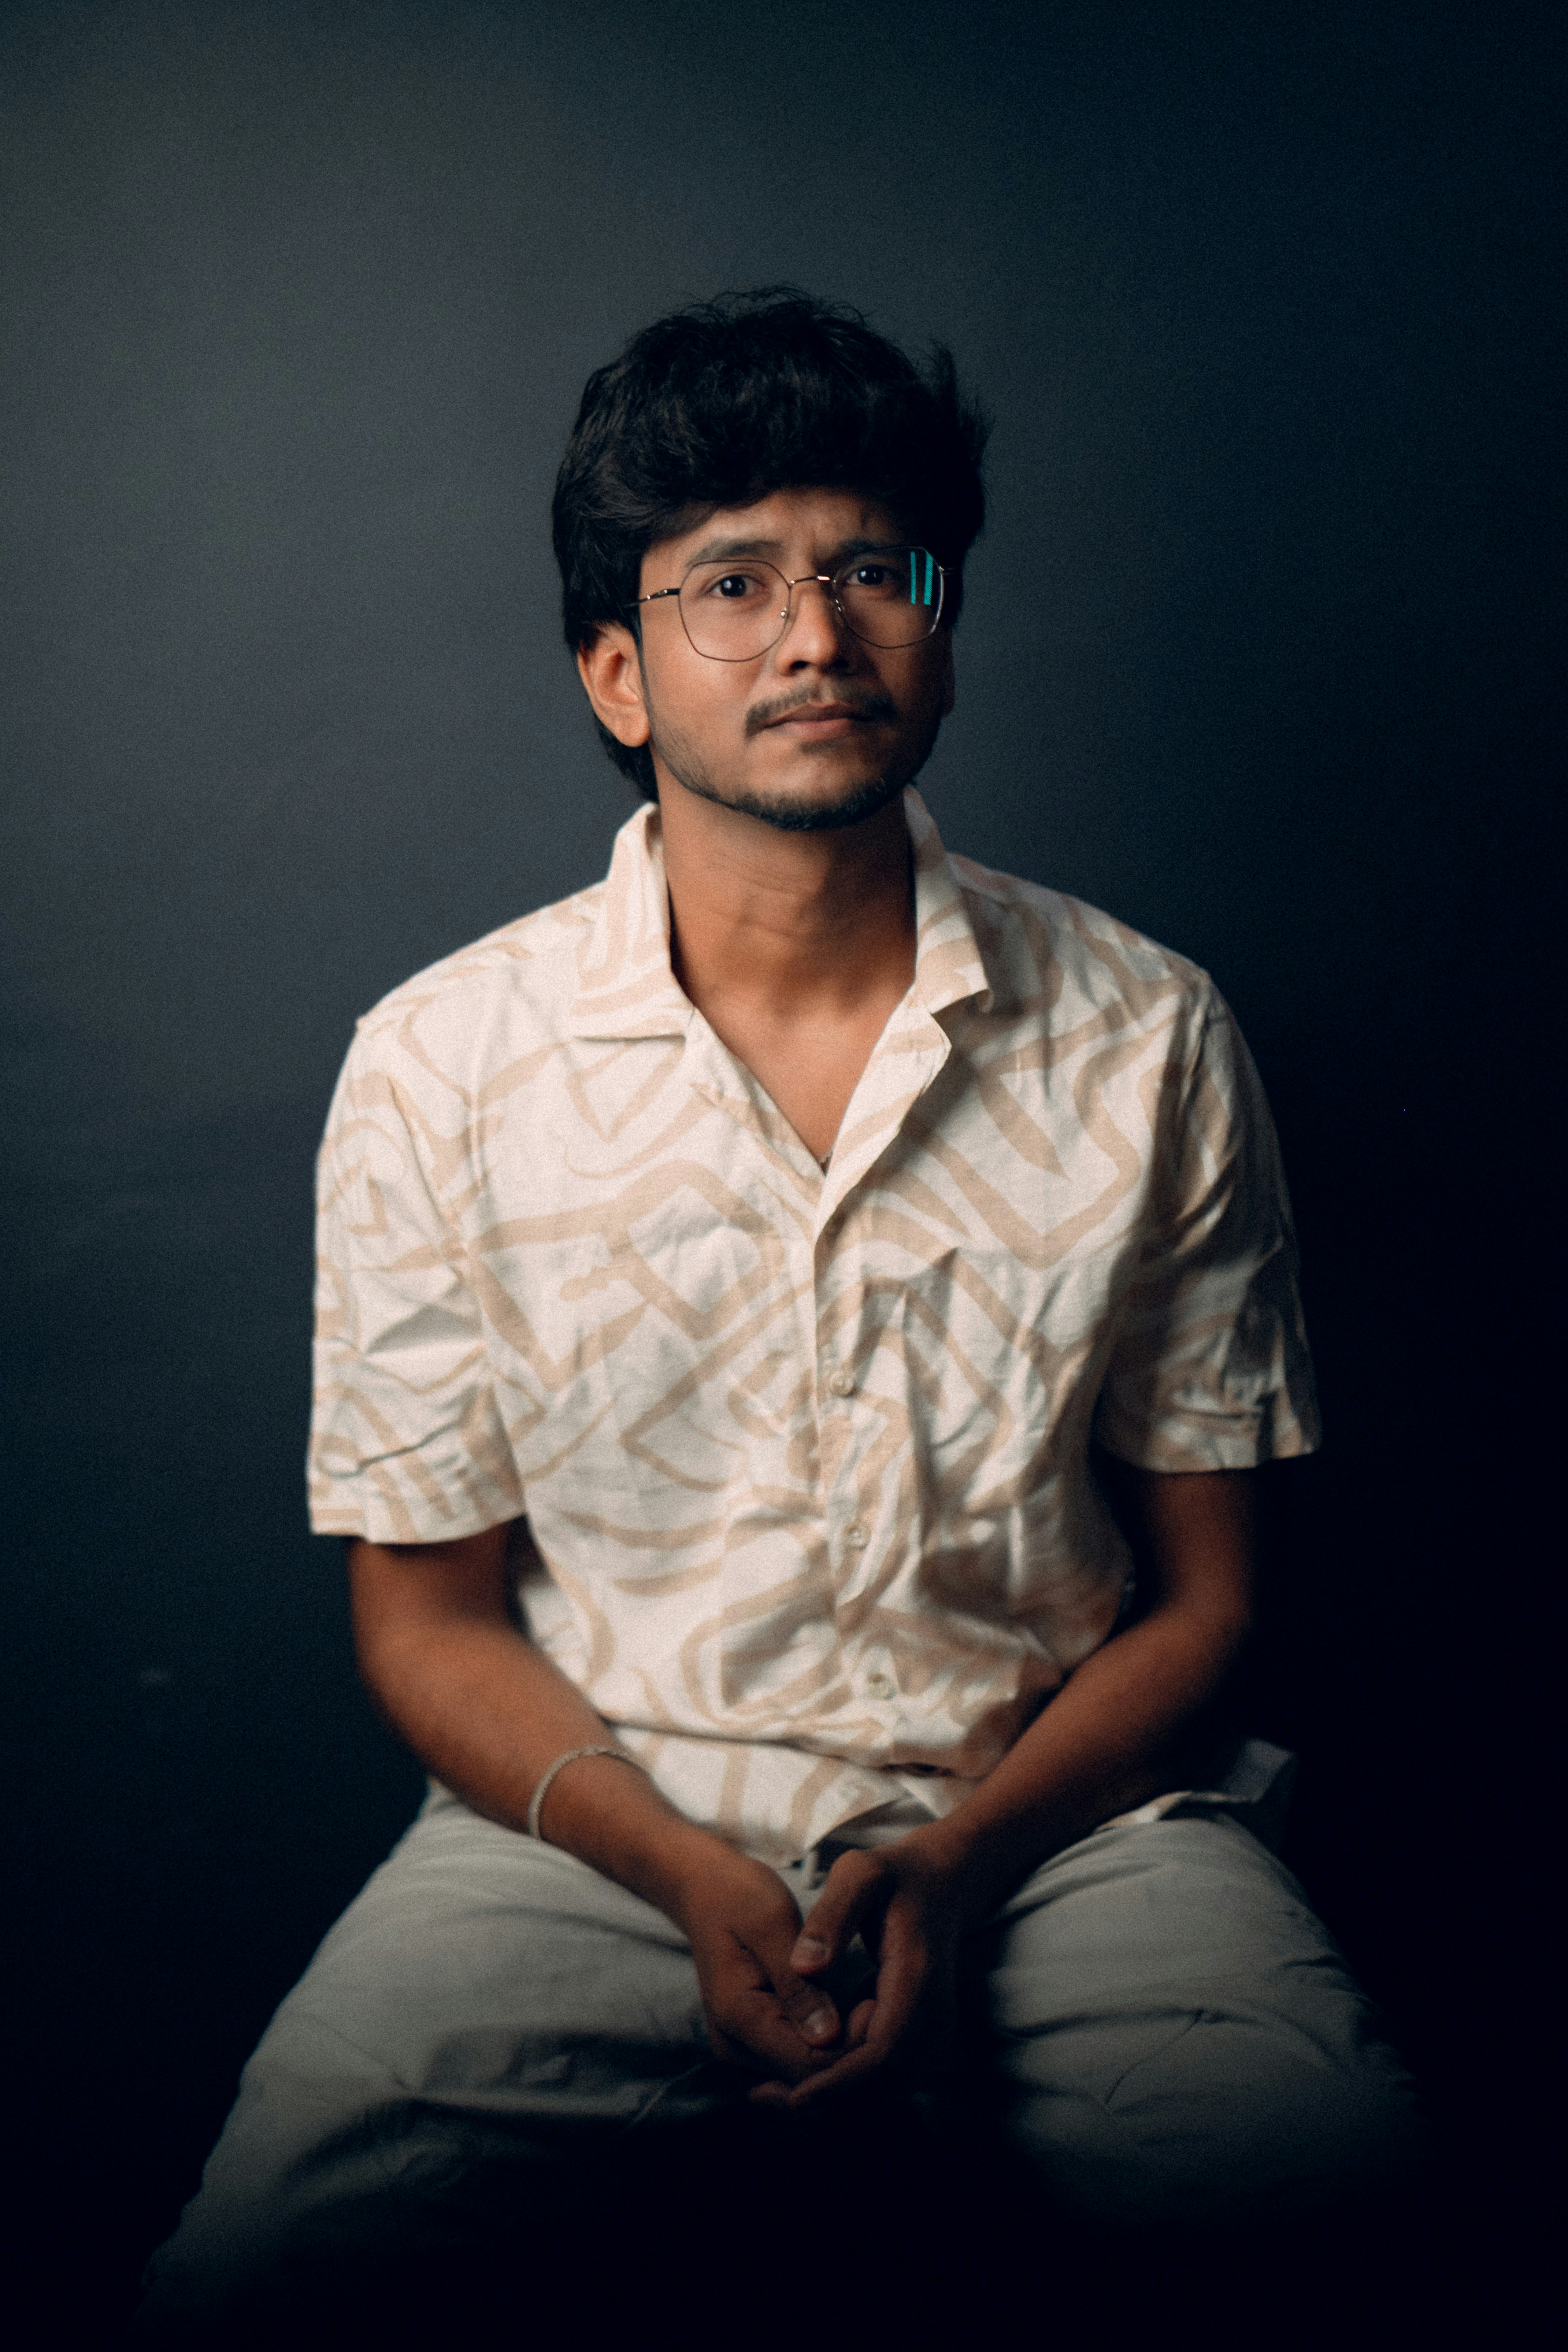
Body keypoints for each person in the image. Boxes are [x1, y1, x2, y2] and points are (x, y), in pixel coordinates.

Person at [137, 291, 1425, 2343]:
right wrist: (679, 1870)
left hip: (1074, 1817)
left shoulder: (1145, 1032)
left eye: (871, 572)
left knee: (1342, 2227)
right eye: (731, 583)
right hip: (585, 1835)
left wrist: (966, 1858)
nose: (816, 634)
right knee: (262, 2279)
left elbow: (1209, 1603)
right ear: (615, 667)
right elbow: (428, 1614)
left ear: (941, 617)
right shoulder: (440, 1064)